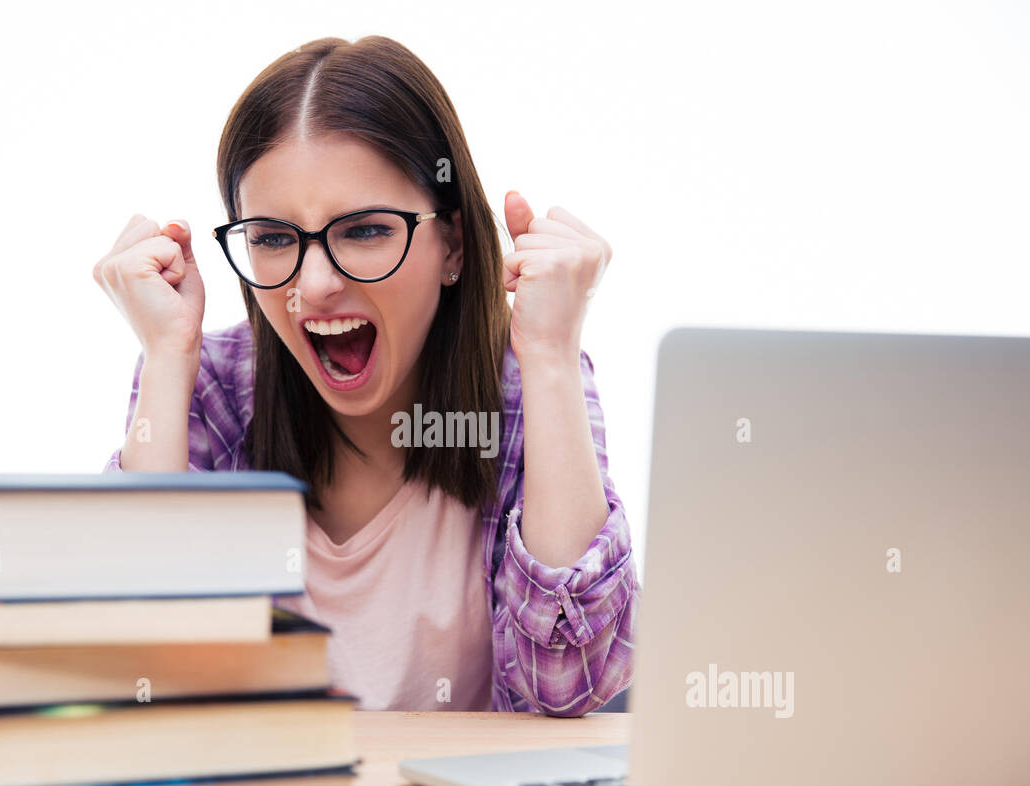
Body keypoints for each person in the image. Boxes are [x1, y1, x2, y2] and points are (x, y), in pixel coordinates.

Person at [94, 35, 636, 716]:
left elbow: (572, 687)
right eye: (272, 238)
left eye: (366, 231)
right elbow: (134, 678)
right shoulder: (215, 388)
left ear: (454, 245)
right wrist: (167, 355)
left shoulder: (525, 390)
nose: (314, 285)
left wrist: (553, 358)